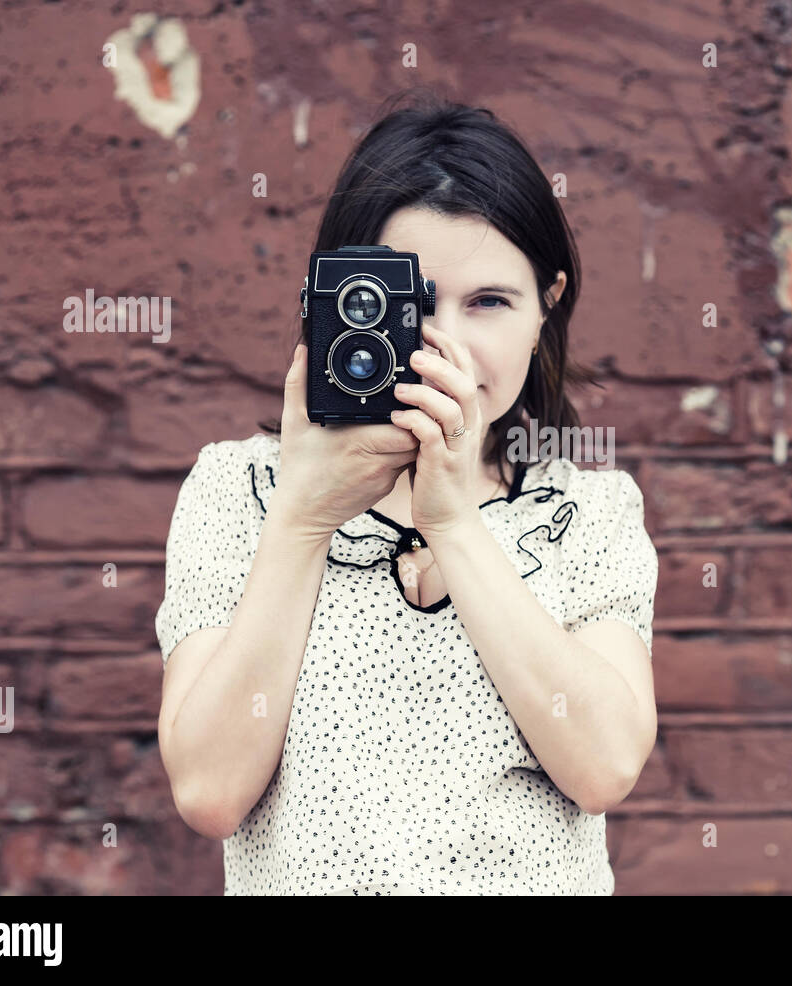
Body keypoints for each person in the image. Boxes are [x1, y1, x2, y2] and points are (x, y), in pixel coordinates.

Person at [154, 91, 658, 895]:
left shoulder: (587, 513)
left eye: (490, 302)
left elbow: (604, 766)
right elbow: (210, 791)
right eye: (410, 302)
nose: (447, 344)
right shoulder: (238, 491)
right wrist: (303, 520)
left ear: (546, 307)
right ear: (340, 299)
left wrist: (455, 524)